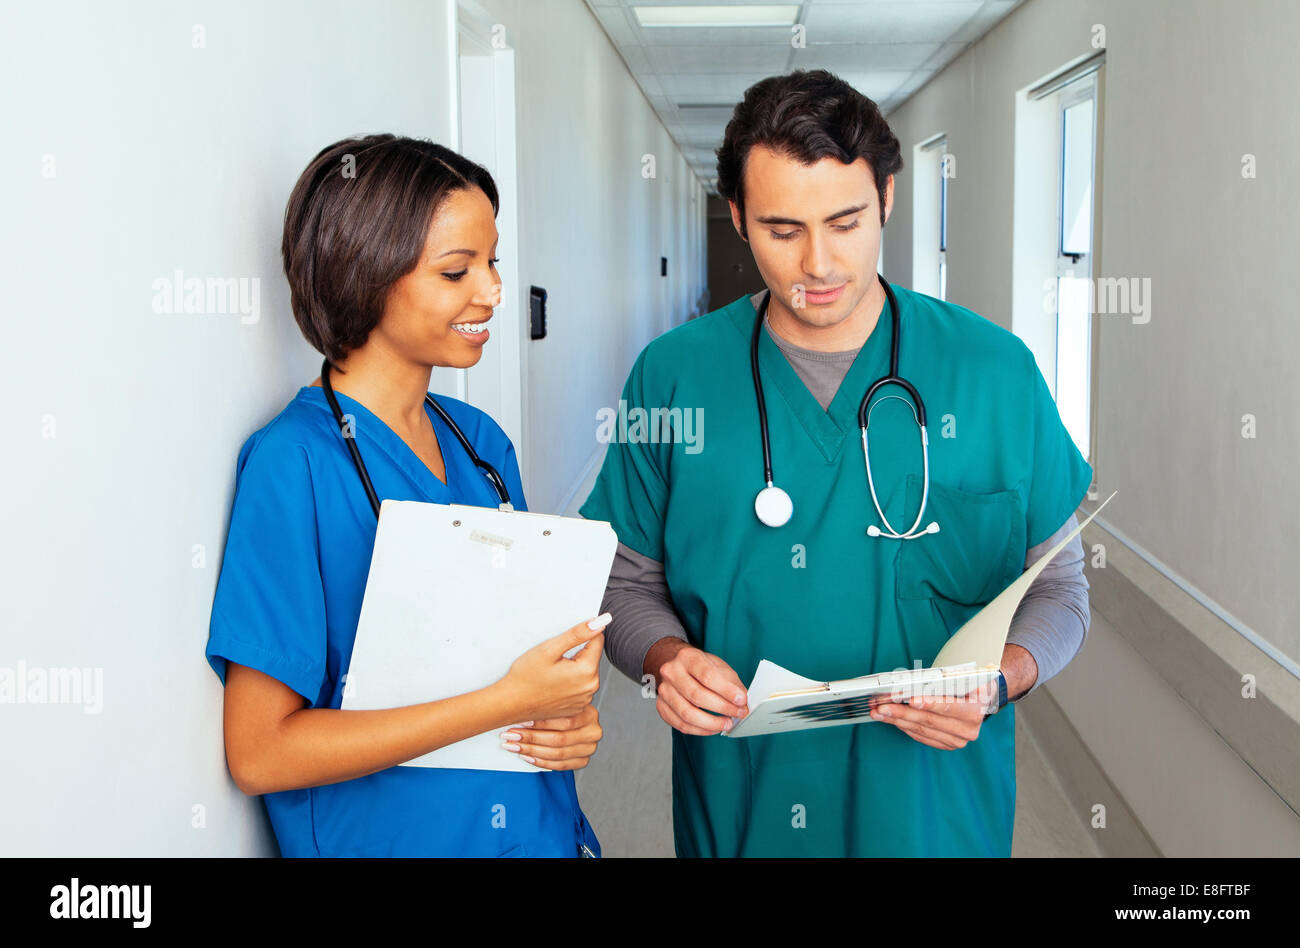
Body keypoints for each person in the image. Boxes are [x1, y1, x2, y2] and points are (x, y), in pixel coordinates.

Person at [580, 71, 1094, 857]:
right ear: (739, 218)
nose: (817, 263)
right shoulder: (673, 376)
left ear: (887, 197)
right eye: (782, 229)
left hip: (934, 808)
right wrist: (665, 660)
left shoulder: (995, 371)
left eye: (846, 222)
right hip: (746, 795)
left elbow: (1059, 586)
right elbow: (625, 582)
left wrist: (1003, 678)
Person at [205, 134, 606, 857]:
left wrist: (566, 716)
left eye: (492, 262)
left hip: (537, 834)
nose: (492, 291)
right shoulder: (292, 465)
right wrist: (506, 704)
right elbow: (261, 754)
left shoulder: (480, 441)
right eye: (457, 271)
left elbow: (524, 655)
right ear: (366, 272)